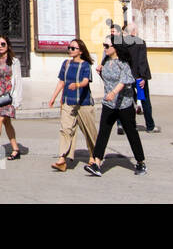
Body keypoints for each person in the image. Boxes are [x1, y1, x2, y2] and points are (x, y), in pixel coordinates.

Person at [84, 38, 147, 176]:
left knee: (131, 133)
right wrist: (100, 72)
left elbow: (125, 80)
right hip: (109, 104)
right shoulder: (106, 61)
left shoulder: (123, 63)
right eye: (103, 45)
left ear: (115, 47)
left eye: (107, 45)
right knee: (103, 133)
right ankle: (97, 163)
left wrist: (113, 92)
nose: (105, 48)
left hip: (124, 104)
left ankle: (140, 162)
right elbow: (108, 80)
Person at [48, 39, 96, 170]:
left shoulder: (86, 65)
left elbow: (86, 81)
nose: (70, 50)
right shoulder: (66, 63)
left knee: (89, 132)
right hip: (68, 102)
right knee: (66, 130)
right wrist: (53, 98)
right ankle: (62, 159)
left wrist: (78, 85)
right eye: (69, 48)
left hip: (83, 103)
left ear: (80, 51)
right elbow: (61, 82)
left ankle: (94, 156)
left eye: (73, 48)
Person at [126, 24, 160, 133]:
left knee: (128, 101)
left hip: (127, 77)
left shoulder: (122, 43)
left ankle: (130, 125)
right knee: (145, 101)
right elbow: (142, 61)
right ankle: (150, 125)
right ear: (134, 32)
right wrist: (143, 77)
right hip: (139, 77)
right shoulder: (140, 42)